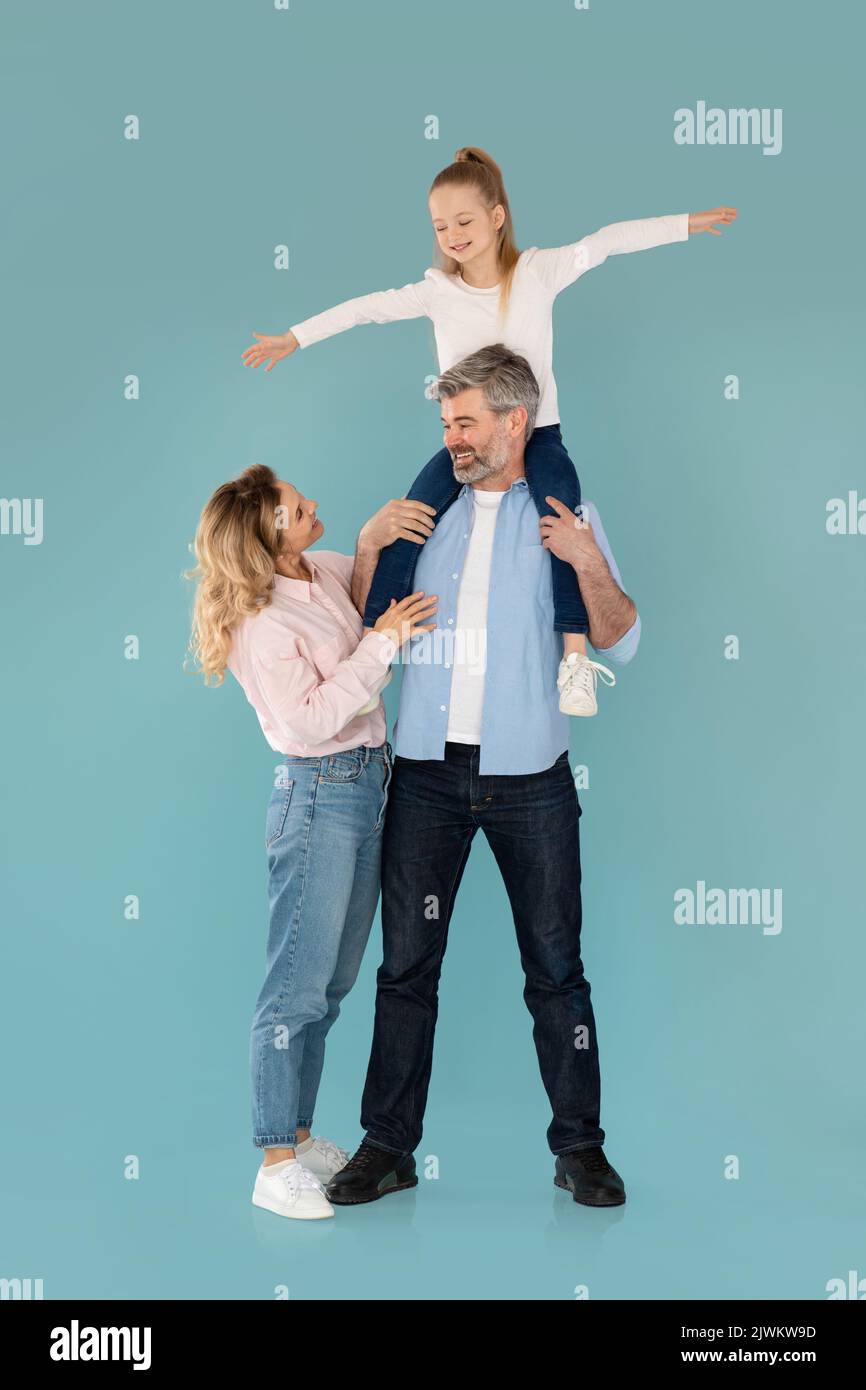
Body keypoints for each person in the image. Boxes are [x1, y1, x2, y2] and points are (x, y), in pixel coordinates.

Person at [242, 145, 734, 715]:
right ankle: (373, 632)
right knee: (409, 520)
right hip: (466, 445)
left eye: (465, 221)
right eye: (440, 225)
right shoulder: (436, 292)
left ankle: (575, 660)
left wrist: (687, 224)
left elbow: (604, 242)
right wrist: (294, 338)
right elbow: (365, 309)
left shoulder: (536, 273)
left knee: (564, 526)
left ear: (497, 217)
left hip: (538, 434)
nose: (452, 234)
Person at [325, 346, 640, 1209]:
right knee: (404, 971)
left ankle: (580, 1149)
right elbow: (362, 628)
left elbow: (620, 633)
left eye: (465, 422)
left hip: (531, 780)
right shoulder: (428, 517)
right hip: (425, 776)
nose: (452, 438)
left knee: (556, 972)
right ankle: (386, 1147)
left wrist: (585, 559)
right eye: (445, 424)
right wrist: (365, 547)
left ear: (515, 423)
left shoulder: (566, 514)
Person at [185, 465, 438, 1219]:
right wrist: (386, 643)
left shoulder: (315, 572)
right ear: (270, 537)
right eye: (299, 509)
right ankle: (273, 1161)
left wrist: (365, 542)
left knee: (328, 987)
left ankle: (298, 1131)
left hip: (367, 787)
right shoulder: (263, 622)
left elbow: (358, 601)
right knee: (291, 989)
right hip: (320, 793)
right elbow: (310, 719)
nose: (313, 505)